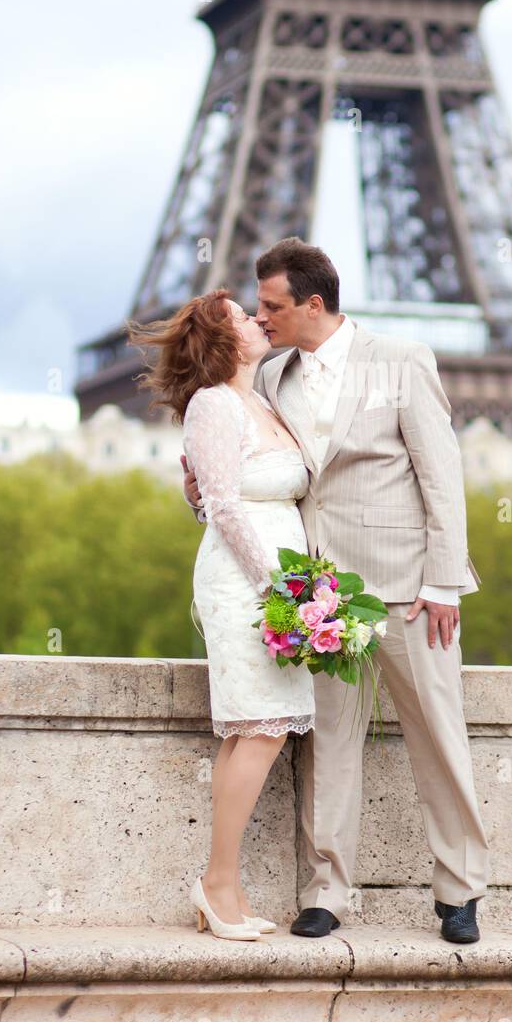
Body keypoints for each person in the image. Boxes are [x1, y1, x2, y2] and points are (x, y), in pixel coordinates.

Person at [182, 237, 490, 944]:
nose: (261, 319)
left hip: (407, 586)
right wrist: (196, 488)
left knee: (439, 733)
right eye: (255, 309)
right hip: (311, 594)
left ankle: (459, 890)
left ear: (311, 304)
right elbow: (240, 478)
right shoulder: (269, 375)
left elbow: (441, 474)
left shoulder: (401, 361)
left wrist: (444, 580)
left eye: (271, 306)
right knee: (326, 745)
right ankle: (328, 887)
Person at [127, 289, 312, 941]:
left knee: (256, 729)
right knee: (257, 726)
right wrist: (278, 590)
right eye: (241, 316)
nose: (257, 320)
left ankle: (224, 887)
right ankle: (216, 882)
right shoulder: (212, 404)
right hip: (245, 581)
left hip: (282, 580)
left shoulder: (262, 401)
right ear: (221, 338)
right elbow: (224, 507)